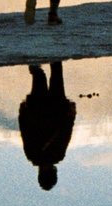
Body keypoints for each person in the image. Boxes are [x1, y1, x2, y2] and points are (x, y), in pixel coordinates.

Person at [19, 62, 76, 190]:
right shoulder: (32, 155)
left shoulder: (58, 155)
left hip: (58, 110)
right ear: (40, 174)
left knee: (56, 72)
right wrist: (22, 113)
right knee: (38, 75)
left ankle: (53, 47)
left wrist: (71, 114)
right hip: (36, 110)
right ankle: (34, 50)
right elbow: (24, 131)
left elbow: (66, 132)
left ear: (53, 173)